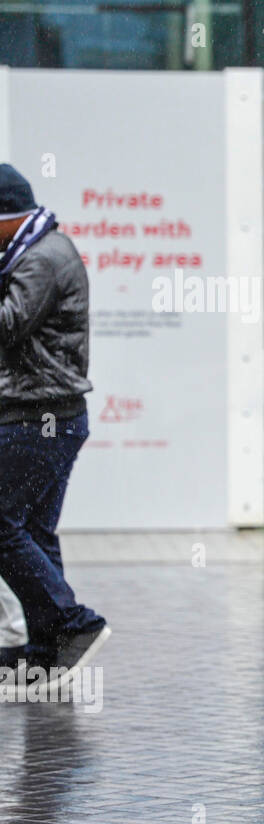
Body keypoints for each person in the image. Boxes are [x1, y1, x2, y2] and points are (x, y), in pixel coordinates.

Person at [0, 163, 112, 684]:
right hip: (50, 414)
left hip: (38, 417)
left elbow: (9, 326)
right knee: (34, 531)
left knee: (2, 525)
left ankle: (72, 625)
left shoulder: (42, 257)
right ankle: (49, 650)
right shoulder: (34, 248)